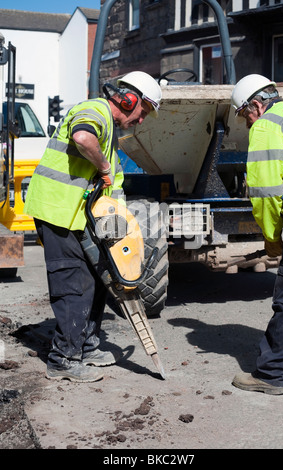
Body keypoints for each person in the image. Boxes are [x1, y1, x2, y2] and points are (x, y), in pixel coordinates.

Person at [24, 71, 162, 383]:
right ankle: (63, 359)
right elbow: (82, 137)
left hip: (78, 216)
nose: (142, 121)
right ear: (129, 100)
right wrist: (103, 167)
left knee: (97, 280)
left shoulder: (110, 127)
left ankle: (86, 345)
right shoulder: (95, 111)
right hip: (57, 211)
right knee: (73, 283)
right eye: (144, 112)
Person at [230, 73, 283, 395]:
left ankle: (271, 374)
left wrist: (272, 239)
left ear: (256, 104)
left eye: (245, 115)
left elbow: (265, 192)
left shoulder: (267, 126)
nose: (246, 123)